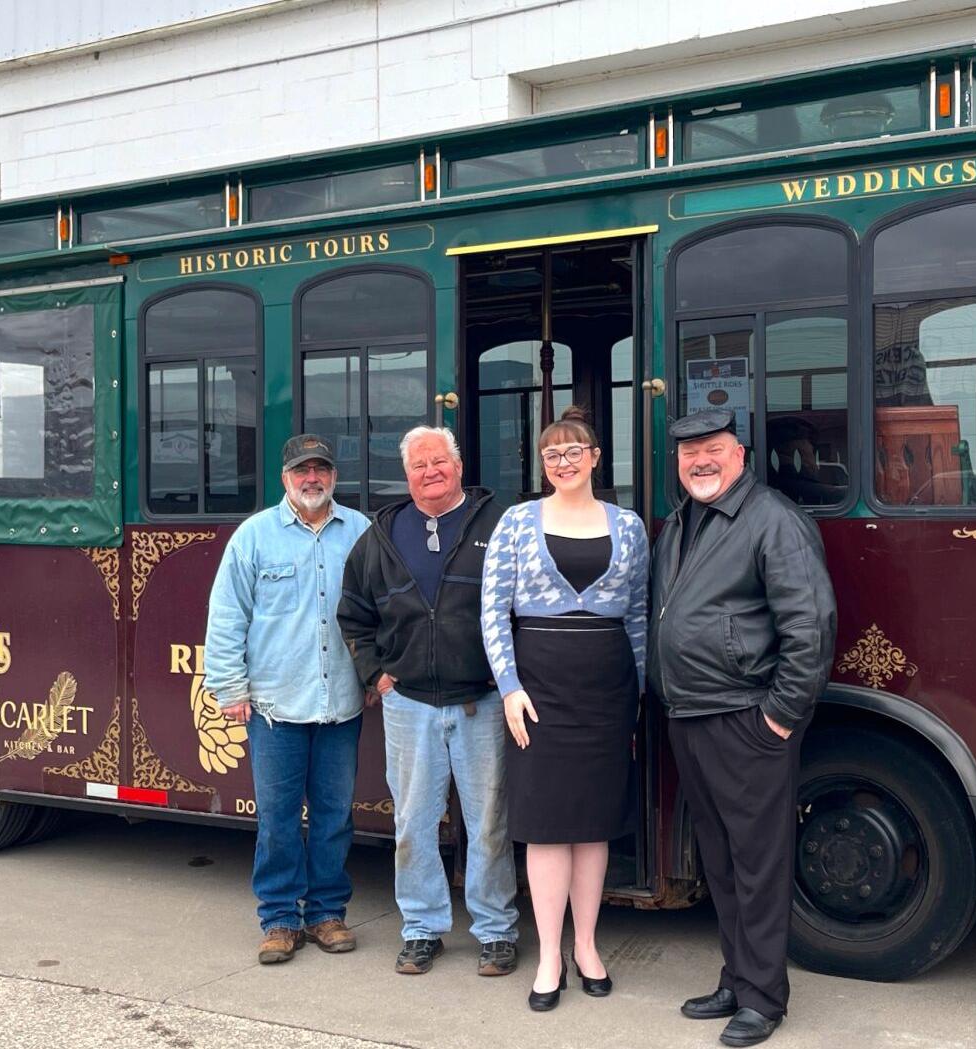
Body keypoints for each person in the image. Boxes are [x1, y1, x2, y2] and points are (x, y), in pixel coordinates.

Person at [648, 408, 836, 1048]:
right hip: (691, 714)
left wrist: (779, 716)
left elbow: (809, 626)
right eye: (688, 452)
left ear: (740, 455)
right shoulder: (682, 520)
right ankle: (737, 977)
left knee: (757, 863)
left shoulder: (773, 520)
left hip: (745, 717)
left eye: (713, 449)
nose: (699, 461)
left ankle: (762, 998)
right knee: (722, 861)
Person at [479, 406, 649, 1012]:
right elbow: (492, 609)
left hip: (607, 689)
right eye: (552, 454)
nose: (564, 461)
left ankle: (587, 946)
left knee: (593, 824)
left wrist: (637, 692)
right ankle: (549, 954)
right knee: (547, 824)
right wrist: (509, 687)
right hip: (538, 688)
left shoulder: (629, 526)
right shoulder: (517, 521)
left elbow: (637, 614)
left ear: (596, 458)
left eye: (575, 451)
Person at [338, 426, 520, 977]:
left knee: (488, 822)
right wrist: (376, 675)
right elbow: (353, 614)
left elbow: (523, 608)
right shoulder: (381, 535)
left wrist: (509, 679)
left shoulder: (499, 523)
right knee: (413, 823)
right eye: (418, 465)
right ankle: (421, 929)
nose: (430, 472)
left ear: (458, 466)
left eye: (439, 461)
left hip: (481, 702)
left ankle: (496, 931)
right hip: (409, 703)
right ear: (407, 475)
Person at [202, 434, 371, 965]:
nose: (311, 479)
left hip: (341, 702)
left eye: (321, 469)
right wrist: (230, 687)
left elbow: (381, 610)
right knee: (277, 819)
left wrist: (377, 673)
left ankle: (326, 913)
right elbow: (227, 615)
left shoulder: (361, 532)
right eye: (302, 470)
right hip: (275, 706)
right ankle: (278, 918)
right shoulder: (253, 537)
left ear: (334, 477)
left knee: (333, 816)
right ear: (285, 478)